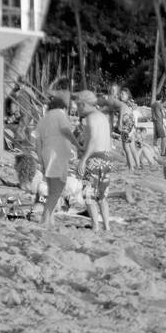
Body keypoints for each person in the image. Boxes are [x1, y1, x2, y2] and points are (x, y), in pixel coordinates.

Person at [36, 94, 76, 227]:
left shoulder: (43, 119)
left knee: (52, 189)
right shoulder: (60, 115)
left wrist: (41, 160)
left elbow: (38, 142)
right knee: (58, 189)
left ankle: (50, 219)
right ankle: (45, 217)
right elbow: (66, 132)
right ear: (63, 108)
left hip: (46, 154)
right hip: (58, 154)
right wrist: (77, 145)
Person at [76, 92, 113, 233]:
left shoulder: (91, 117)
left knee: (88, 195)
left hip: (95, 159)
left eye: (78, 106)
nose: (78, 109)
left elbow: (93, 140)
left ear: (83, 104)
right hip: (106, 157)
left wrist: (83, 159)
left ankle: (96, 226)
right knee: (102, 196)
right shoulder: (102, 116)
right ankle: (107, 226)